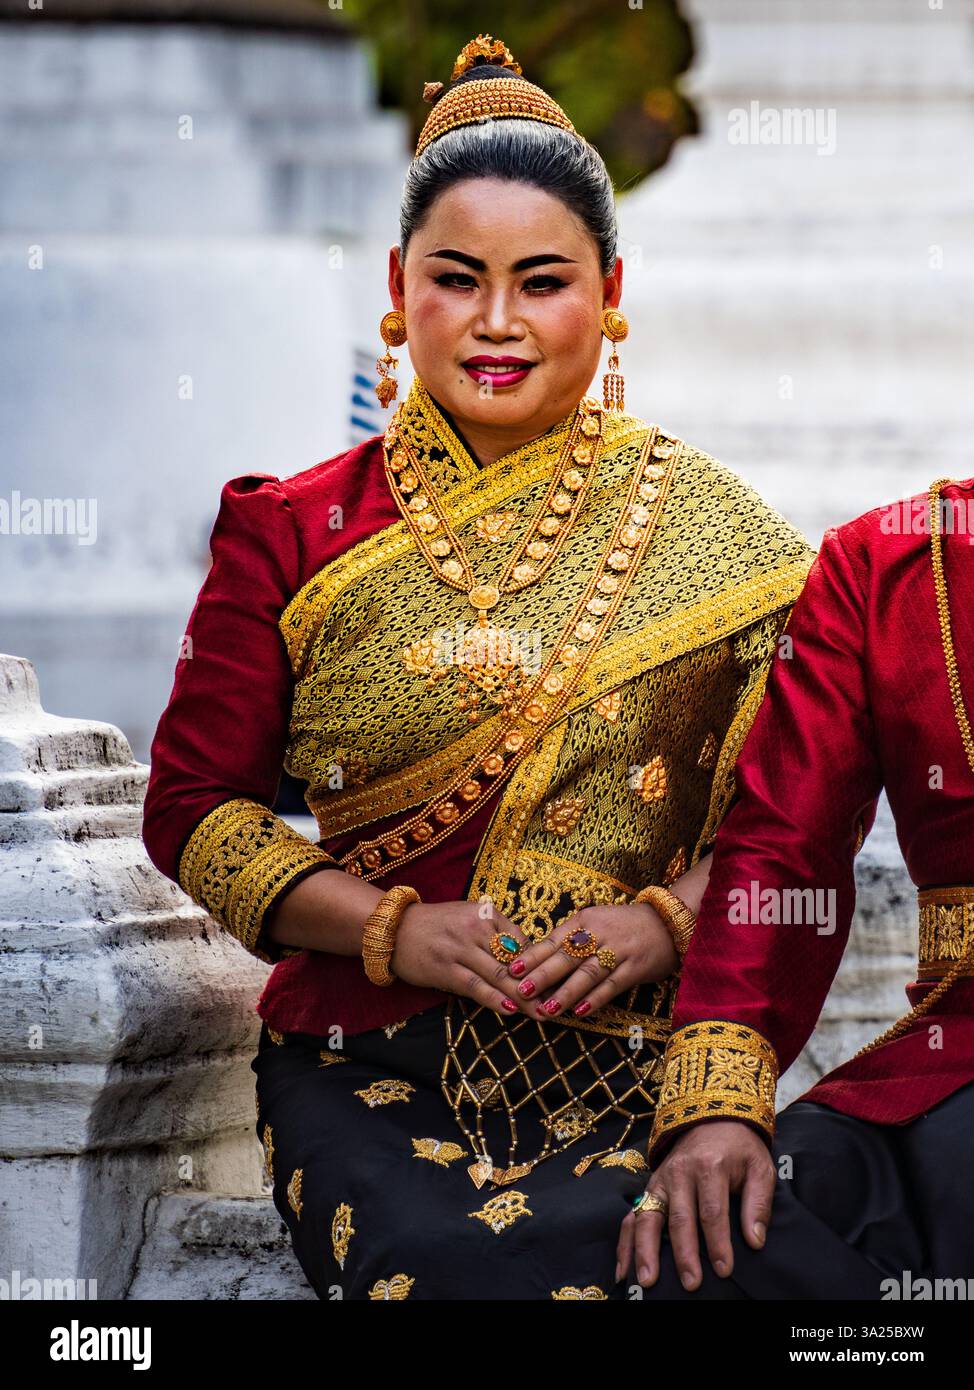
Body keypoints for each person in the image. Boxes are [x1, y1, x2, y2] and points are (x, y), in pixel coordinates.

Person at [141, 33, 814, 1301]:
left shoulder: (717, 532)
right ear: (401, 286)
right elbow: (192, 812)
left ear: (609, 293)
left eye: (541, 281)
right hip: (366, 1056)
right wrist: (392, 927)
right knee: (459, 1266)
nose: (496, 322)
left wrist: (662, 920)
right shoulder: (289, 528)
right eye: (458, 278)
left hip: (642, 1056)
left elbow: (796, 818)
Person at [619, 478, 974, 1300]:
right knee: (712, 1242)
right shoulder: (892, 562)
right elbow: (785, 839)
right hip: (951, 1057)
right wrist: (718, 1106)